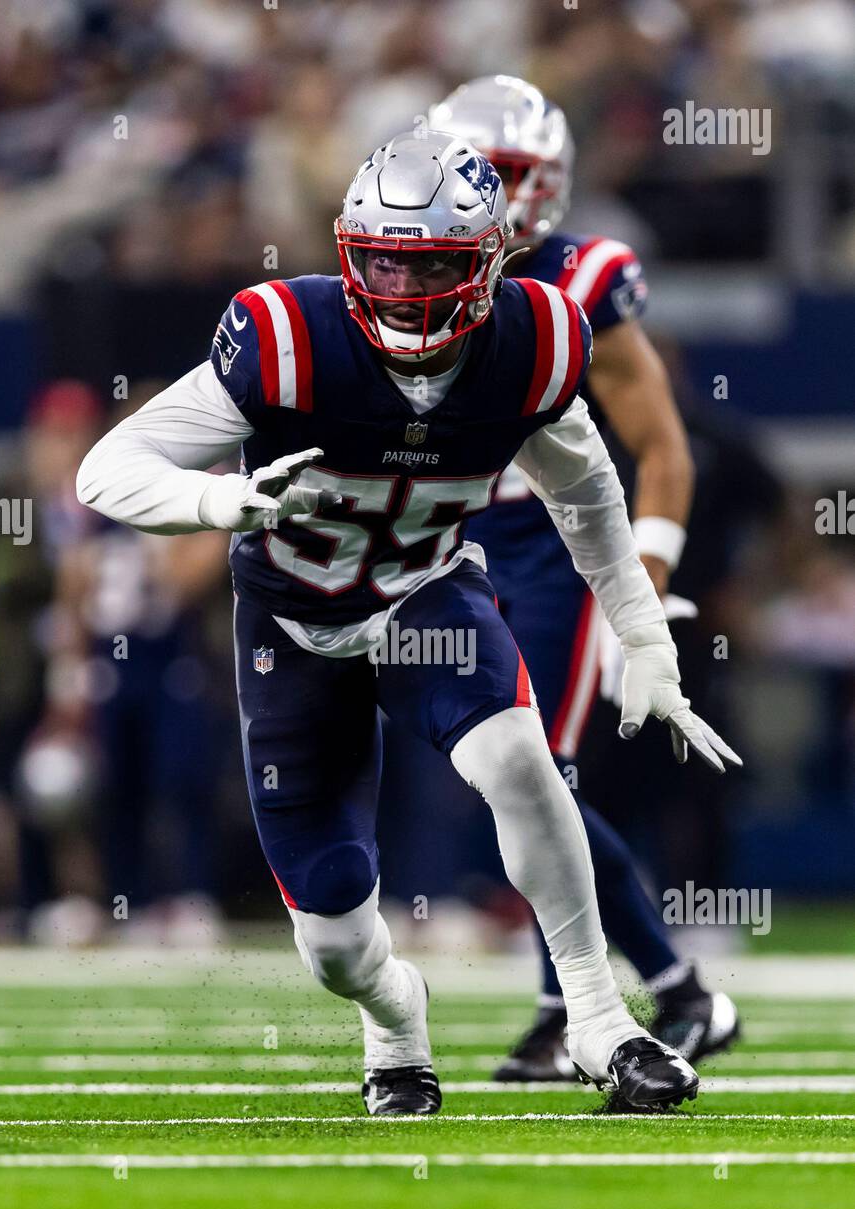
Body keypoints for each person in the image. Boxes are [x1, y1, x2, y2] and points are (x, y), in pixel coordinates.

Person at [76, 129, 740, 1116]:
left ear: (484, 260)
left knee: (519, 759)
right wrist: (227, 505)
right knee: (336, 936)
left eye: (426, 261)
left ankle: (600, 1022)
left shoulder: (534, 339)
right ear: (348, 251)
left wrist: (642, 636)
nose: (399, 284)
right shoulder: (286, 335)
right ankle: (393, 1017)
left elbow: (589, 504)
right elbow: (107, 470)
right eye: (380, 258)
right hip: (292, 626)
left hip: (423, 594)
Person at [429, 76, 740, 1077]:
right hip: (461, 548)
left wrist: (636, 591)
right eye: (476, 170)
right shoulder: (409, 261)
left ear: (549, 181)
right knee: (511, 779)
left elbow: (664, 448)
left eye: (509, 174)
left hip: (561, 550)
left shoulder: (578, 279)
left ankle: (646, 995)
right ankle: (616, 995)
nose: (489, 192)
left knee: (538, 779)